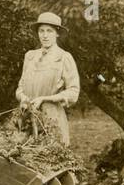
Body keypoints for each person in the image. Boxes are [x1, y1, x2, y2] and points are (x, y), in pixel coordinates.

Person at [15, 11, 80, 144]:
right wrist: (23, 98)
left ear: (57, 33)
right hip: (27, 120)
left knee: (48, 158)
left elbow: (73, 92)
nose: (44, 36)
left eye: (49, 31)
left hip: (52, 121)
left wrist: (45, 99)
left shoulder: (64, 57)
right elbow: (20, 87)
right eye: (41, 31)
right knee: (21, 158)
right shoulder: (30, 56)